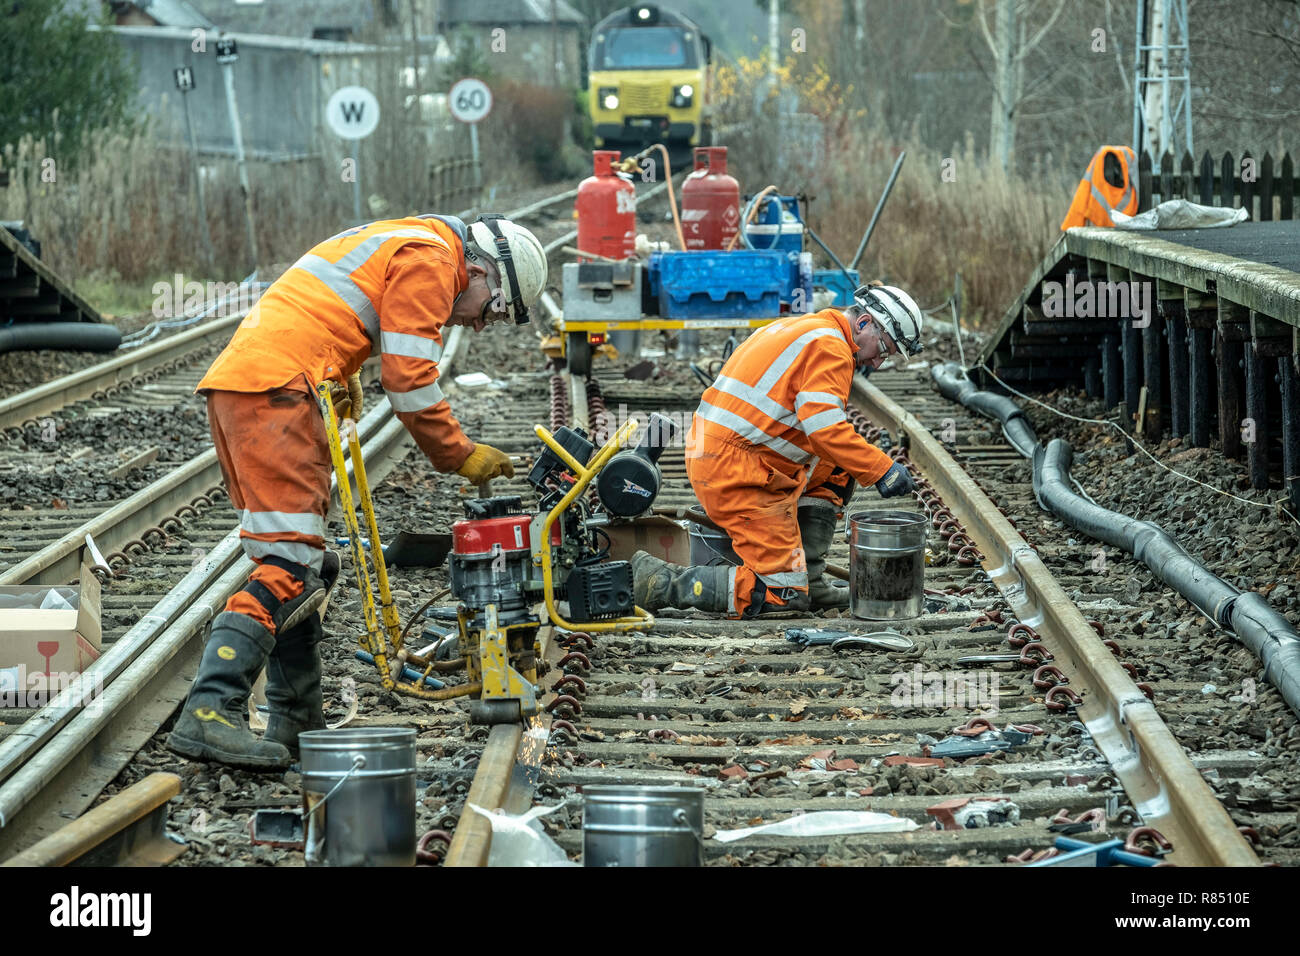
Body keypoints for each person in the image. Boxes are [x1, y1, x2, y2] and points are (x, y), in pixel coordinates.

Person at [167, 213, 547, 770]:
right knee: (288, 566)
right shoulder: (434, 260)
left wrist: (341, 374)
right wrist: (459, 454)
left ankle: (296, 721)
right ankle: (208, 710)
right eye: (493, 308)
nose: (482, 324)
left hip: (254, 386)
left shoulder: (408, 240)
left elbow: (329, 311)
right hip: (275, 391)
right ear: (484, 269)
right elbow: (409, 377)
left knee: (307, 565)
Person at [632, 285, 924, 617]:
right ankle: (664, 583)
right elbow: (824, 429)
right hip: (738, 472)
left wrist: (865, 463)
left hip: (734, 454)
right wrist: (881, 470)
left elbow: (818, 430)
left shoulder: (811, 329)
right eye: (884, 348)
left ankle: (811, 579)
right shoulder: (832, 348)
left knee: (839, 467)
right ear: (864, 323)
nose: (878, 361)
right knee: (783, 596)